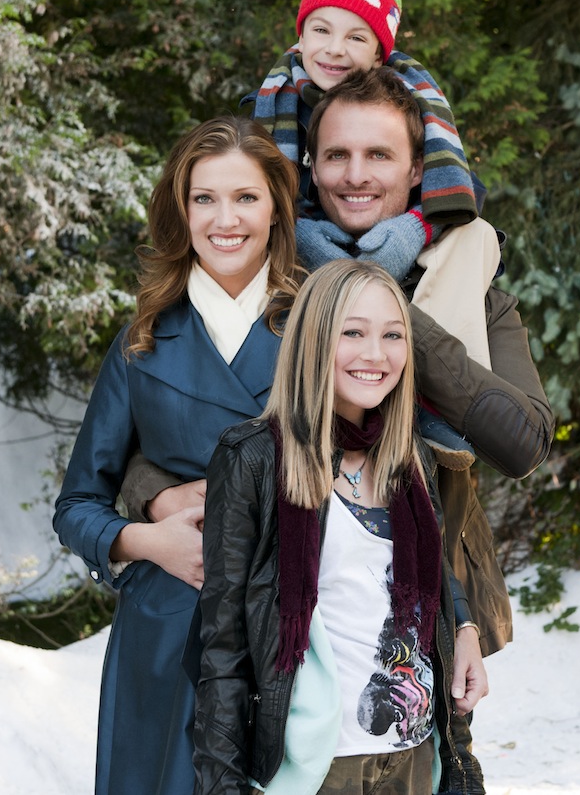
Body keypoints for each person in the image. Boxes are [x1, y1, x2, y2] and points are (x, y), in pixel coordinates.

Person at [122, 69, 554, 792]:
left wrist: (380, 304)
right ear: (309, 171)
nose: (356, 175)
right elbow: (172, 423)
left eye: (380, 155)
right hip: (291, 639)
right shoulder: (262, 275)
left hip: (429, 608)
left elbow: (524, 442)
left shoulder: (467, 283)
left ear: (417, 168)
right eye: (336, 156)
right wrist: (152, 496)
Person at [52, 115, 301, 795]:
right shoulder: (142, 340)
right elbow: (76, 505)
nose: (227, 218)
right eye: (205, 198)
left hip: (290, 634)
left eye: (246, 197)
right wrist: (148, 540)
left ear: (277, 205)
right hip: (165, 632)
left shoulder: (317, 329)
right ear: (181, 209)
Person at [193, 259, 489, 795]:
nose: (375, 354)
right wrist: (220, 784)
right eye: (353, 332)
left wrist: (460, 758)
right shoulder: (255, 461)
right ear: (314, 341)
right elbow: (223, 646)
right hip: (316, 768)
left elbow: (430, 623)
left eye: (392, 335)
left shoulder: (410, 461)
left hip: (413, 757)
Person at [244, 0, 503, 459]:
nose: (334, 49)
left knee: (475, 236)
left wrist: (415, 228)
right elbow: (250, 191)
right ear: (299, 36)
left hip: (404, 246)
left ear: (380, 54)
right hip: (301, 243)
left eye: (355, 36)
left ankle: (438, 402)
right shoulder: (271, 103)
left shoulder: (410, 99)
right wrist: (299, 235)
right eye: (320, 30)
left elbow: (458, 186)